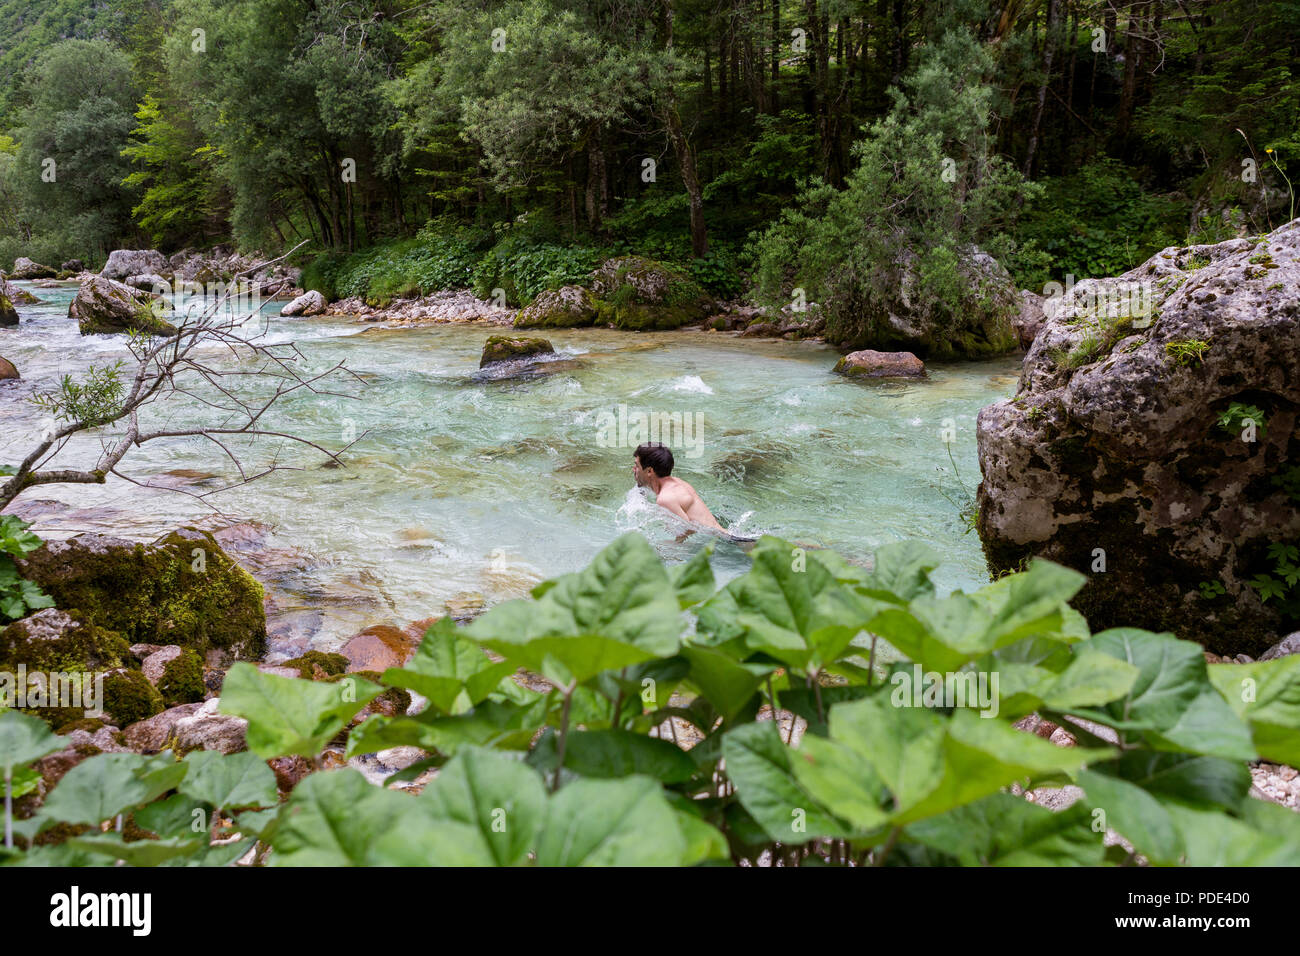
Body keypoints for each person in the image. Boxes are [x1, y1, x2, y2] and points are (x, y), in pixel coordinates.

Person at [632, 442, 725, 534]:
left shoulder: (665, 499)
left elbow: (688, 530)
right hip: (726, 537)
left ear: (649, 471)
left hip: (720, 543)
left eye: (637, 466)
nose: (634, 469)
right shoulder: (677, 482)